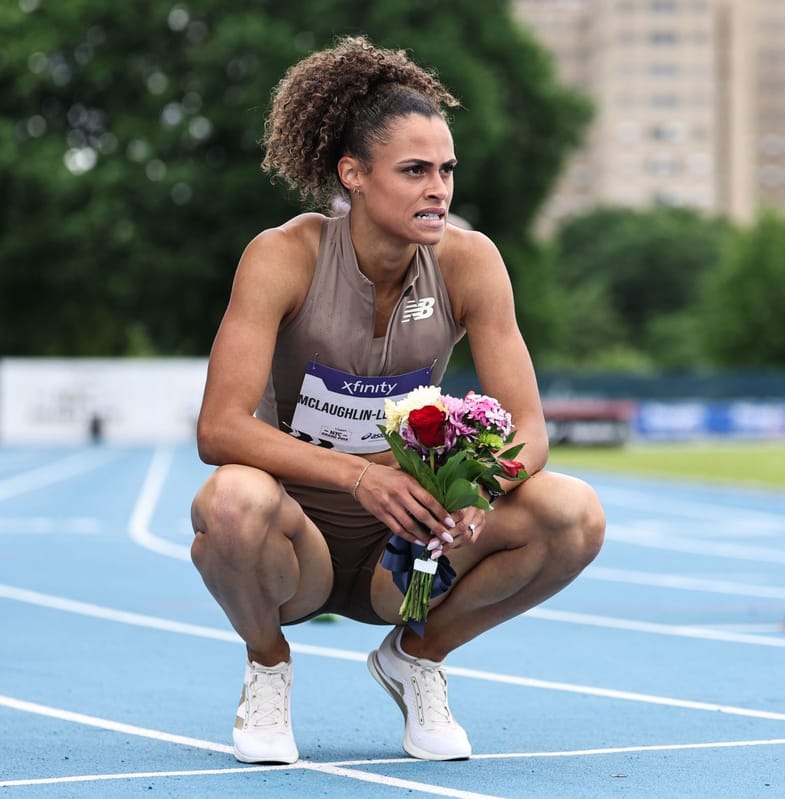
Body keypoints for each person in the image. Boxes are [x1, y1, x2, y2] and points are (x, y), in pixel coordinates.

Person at [189, 36, 606, 765]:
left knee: (573, 514)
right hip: (298, 546)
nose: (438, 188)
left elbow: (530, 431)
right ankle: (267, 663)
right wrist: (359, 474)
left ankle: (416, 655)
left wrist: (479, 485)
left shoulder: (470, 261)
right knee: (227, 500)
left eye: (446, 169)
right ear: (353, 175)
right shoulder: (282, 257)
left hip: (408, 553)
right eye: (414, 171)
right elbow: (219, 428)